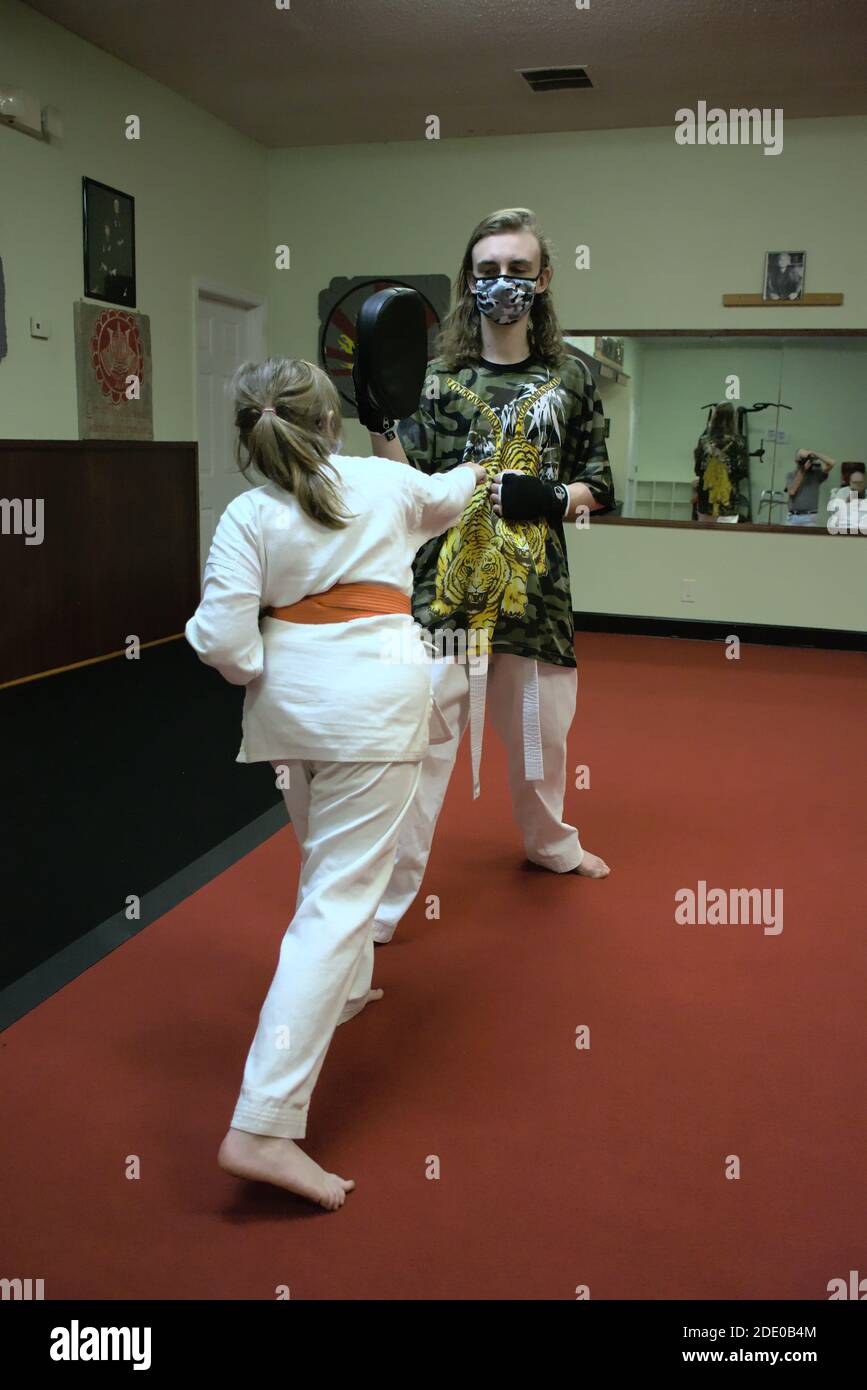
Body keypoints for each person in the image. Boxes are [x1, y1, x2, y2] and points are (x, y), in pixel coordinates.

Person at [185, 357, 485, 1208]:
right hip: (374, 706)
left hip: (289, 714)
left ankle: (346, 990)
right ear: (331, 423)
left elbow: (222, 642)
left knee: (323, 867)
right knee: (336, 900)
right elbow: (459, 490)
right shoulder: (382, 482)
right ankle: (264, 1125)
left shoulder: (246, 511)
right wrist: (490, 450)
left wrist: (265, 658)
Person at [363, 207, 614, 948]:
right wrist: (379, 424)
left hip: (536, 599)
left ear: (542, 279)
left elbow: (601, 482)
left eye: (516, 269)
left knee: (541, 743)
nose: (501, 284)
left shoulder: (570, 376)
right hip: (443, 595)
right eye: (486, 271)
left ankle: (549, 845)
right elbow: (405, 489)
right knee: (421, 749)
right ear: (467, 281)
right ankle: (381, 905)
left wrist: (553, 497)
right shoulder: (436, 381)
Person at [692, 403, 750, 523]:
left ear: (714, 417)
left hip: (706, 499)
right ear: (733, 419)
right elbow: (743, 471)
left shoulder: (704, 441)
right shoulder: (739, 443)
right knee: (726, 539)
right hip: (728, 499)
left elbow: (698, 469)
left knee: (705, 539)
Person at [785, 448, 834, 526]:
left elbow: (831, 463)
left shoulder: (816, 474)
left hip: (809, 517)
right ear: (796, 461)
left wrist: (813, 453)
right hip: (792, 517)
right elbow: (792, 491)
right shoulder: (791, 475)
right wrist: (803, 470)